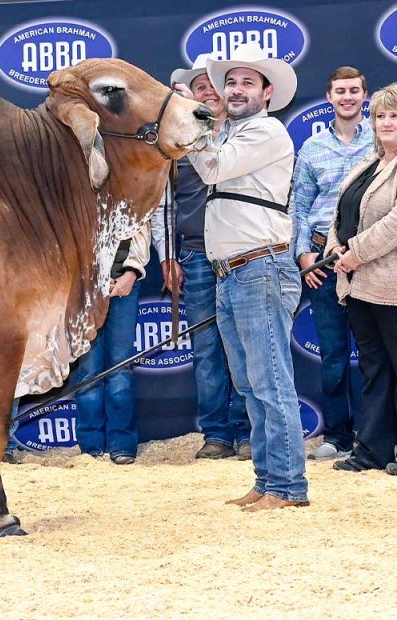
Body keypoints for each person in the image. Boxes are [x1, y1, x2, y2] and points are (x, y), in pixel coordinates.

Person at [183, 43, 308, 511]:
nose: (236, 90)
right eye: (231, 82)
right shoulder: (233, 133)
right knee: (251, 386)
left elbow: (212, 166)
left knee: (270, 383)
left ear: (267, 93)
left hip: (260, 267)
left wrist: (191, 124)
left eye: (247, 83)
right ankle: (267, 480)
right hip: (232, 272)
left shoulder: (266, 130)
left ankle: (289, 487)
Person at [158, 54, 251, 460]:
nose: (209, 93)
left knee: (245, 346)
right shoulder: (177, 144)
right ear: (191, 96)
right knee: (207, 348)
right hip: (196, 253)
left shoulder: (245, 134)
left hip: (241, 254)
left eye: (214, 86)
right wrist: (168, 255)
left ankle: (248, 432)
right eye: (200, 88)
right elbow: (164, 204)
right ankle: (217, 434)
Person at [290, 66, 373, 461]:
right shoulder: (312, 148)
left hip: (372, 258)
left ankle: (377, 436)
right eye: (340, 91)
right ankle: (338, 435)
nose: (347, 97)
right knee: (333, 353)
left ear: (364, 95)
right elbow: (299, 205)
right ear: (329, 97)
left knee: (377, 353)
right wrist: (303, 253)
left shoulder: (381, 140)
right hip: (324, 260)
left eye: (354, 90)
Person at [327, 83, 397, 474]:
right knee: (374, 368)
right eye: (380, 115)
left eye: (394, 115)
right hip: (359, 286)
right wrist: (335, 248)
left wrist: (355, 252)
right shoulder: (369, 164)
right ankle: (372, 451)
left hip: (391, 286)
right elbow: (340, 214)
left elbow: (394, 225)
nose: (386, 122)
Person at [72, 226, 151, 465]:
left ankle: (122, 443)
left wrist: (131, 273)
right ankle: (91, 446)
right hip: (84, 285)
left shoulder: (128, 199)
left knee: (120, 366)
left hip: (124, 283)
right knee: (88, 369)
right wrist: (90, 278)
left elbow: (141, 228)